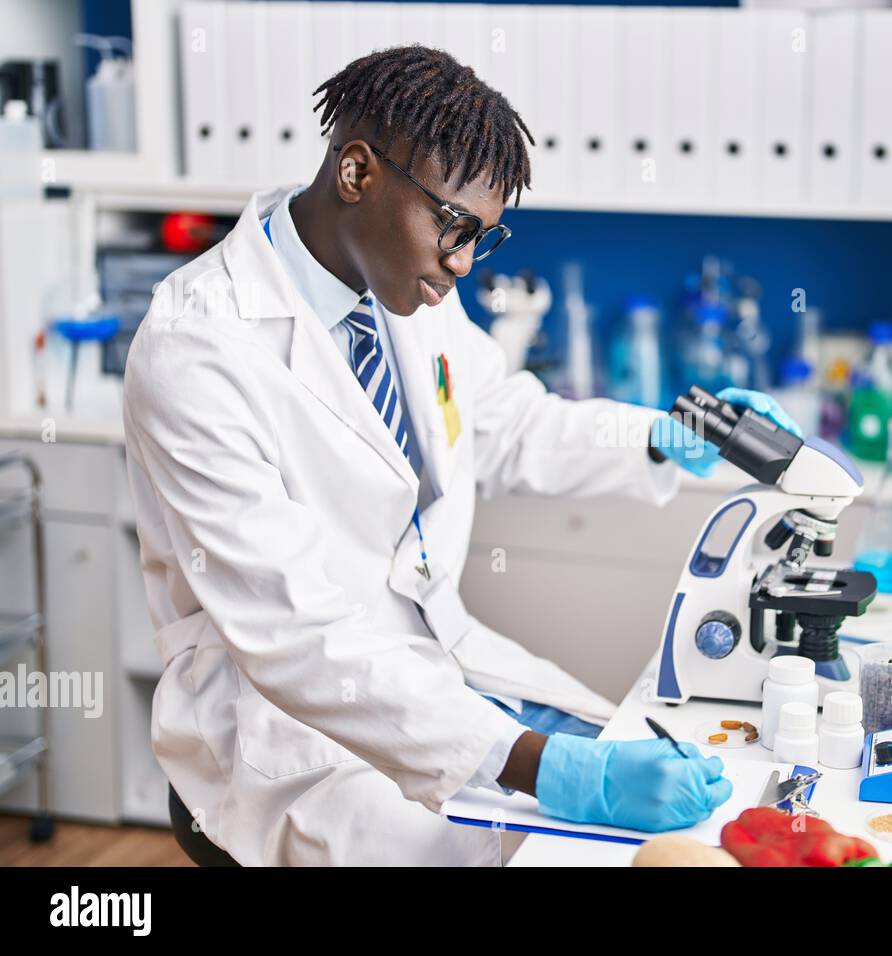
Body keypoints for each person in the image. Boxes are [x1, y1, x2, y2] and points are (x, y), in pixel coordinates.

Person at [123, 44, 798, 865]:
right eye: (454, 228)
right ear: (358, 173)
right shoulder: (197, 347)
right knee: (546, 849)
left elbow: (501, 420)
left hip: (444, 663)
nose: (464, 264)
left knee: (656, 801)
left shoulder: (406, 287)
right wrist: (550, 769)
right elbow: (296, 635)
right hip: (289, 731)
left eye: (484, 235)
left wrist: (661, 436)